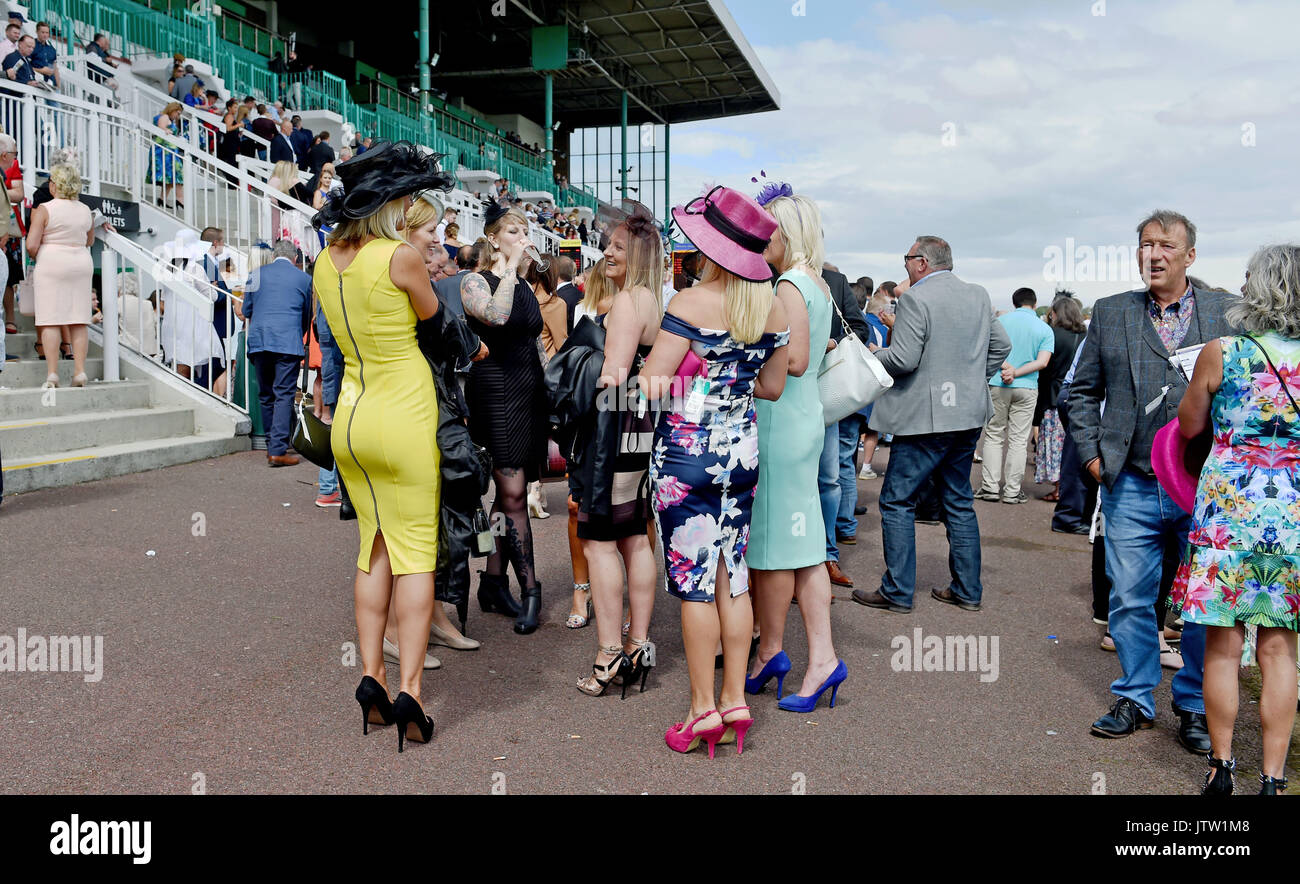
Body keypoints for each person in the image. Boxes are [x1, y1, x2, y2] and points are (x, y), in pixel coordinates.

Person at [1069, 210, 1235, 749]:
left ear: (1190, 256)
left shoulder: (1225, 312)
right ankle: (1136, 697)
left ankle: (1191, 703)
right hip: (1132, 481)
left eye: (1166, 246)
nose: (1154, 254)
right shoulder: (1112, 312)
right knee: (1130, 598)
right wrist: (1095, 459)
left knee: (1200, 603)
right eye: (1145, 245)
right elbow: (1081, 390)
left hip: (1204, 487)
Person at [639, 185, 791, 753]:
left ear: (710, 247)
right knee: (735, 575)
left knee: (696, 587)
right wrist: (729, 377)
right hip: (743, 454)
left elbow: (654, 386)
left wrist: (690, 371)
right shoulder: (773, 307)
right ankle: (735, 701)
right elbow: (773, 387)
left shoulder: (689, 303)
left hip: (687, 453)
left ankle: (702, 709)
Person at [312, 142, 452, 751]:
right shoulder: (398, 258)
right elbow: (434, 319)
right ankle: (412, 693)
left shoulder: (324, 259)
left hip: (351, 419)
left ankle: (371, 676)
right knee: (416, 553)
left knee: (372, 548)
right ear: (391, 205)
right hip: (403, 411)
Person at [1171, 244, 1300, 795]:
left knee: (1223, 644)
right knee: (1280, 648)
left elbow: (1190, 424)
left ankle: (1222, 769)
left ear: (1260, 288)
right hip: (1293, 507)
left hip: (1229, 508)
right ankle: (1272, 778)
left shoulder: (1223, 351)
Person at [854, 236, 1012, 614]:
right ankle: (967, 590)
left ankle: (897, 591)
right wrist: (971, 378)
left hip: (926, 419)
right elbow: (1001, 346)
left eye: (907, 258)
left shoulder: (915, 299)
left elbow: (905, 359)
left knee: (896, 500)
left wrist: (877, 354)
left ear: (922, 263)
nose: (905, 265)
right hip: (969, 414)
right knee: (958, 502)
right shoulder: (977, 295)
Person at [745, 188, 847, 714]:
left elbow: (797, 360)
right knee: (803, 545)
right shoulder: (818, 283)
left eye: (771, 231)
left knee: (773, 548)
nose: (763, 239)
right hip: (803, 421)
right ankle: (811, 656)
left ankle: (771, 651)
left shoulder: (787, 284)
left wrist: (745, 362)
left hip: (780, 422)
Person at [569, 208, 663, 697]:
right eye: (608, 244)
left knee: (600, 539)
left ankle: (608, 655)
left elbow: (614, 378)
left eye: (619, 246)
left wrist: (584, 370)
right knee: (634, 537)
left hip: (613, 428)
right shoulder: (654, 302)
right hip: (640, 429)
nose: (607, 251)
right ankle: (638, 645)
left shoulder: (627, 302)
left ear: (639, 255)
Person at [461, 204, 547, 634]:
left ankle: (494, 582)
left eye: (524, 231)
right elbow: (494, 315)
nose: (522, 237)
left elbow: (534, 342)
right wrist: (512, 267)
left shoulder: (527, 283)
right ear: (493, 238)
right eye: (513, 231)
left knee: (507, 492)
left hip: (527, 394)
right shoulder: (475, 281)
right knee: (513, 493)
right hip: (494, 393)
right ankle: (531, 588)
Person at [818, 260, 872, 589]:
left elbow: (859, 329)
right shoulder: (769, 275)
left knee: (828, 480)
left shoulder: (834, 281)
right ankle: (787, 567)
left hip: (825, 395)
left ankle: (827, 558)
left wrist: (833, 343)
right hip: (777, 397)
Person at [975, 287, 1053, 504]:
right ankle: (1012, 491)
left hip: (997, 383)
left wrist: (1005, 367)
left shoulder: (1000, 323)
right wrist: (1017, 372)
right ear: (1035, 304)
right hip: (1027, 386)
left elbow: (986, 349)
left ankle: (990, 487)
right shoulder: (1044, 328)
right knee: (1019, 440)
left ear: (1014, 303)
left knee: (993, 435)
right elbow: (1043, 362)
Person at [242, 239, 311, 467]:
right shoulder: (304, 278)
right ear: (295, 259)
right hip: (287, 342)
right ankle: (278, 450)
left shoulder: (255, 275)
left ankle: (273, 445)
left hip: (260, 340)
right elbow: (306, 314)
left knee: (266, 394)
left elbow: (246, 310)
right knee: (283, 394)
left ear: (273, 257)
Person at [27, 164, 94, 389]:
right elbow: (90, 241)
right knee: (78, 320)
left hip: (52, 263)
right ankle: (80, 372)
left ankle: (53, 374)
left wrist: (40, 254)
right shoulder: (86, 210)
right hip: (80, 262)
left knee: (50, 319)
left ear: (55, 185)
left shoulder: (45, 208)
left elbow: (31, 244)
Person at [1033, 295, 1087, 502]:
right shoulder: (1086, 335)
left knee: (1055, 444)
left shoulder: (1052, 335)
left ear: (1056, 314)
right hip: (1080, 395)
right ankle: (1069, 488)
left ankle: (1058, 488)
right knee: (1072, 445)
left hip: (1054, 395)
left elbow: (1044, 369)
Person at [150, 102, 185, 210]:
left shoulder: (170, 119)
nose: (177, 116)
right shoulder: (164, 117)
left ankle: (164, 198)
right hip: (165, 151)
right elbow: (161, 128)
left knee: (173, 176)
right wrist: (167, 130)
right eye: (177, 113)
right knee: (176, 175)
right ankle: (179, 199)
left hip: (170, 151)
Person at [31, 22, 59, 89]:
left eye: (47, 33)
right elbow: (26, 66)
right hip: (36, 83)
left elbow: (55, 67)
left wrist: (58, 85)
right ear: (37, 32)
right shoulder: (31, 45)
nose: (45, 35)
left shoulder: (52, 49)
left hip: (51, 84)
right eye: (42, 32)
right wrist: (41, 70)